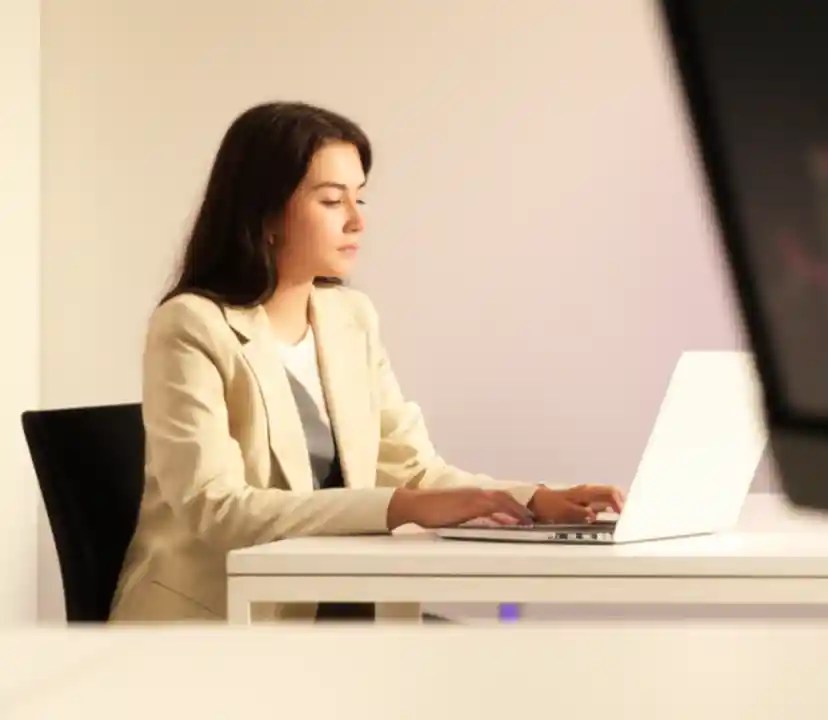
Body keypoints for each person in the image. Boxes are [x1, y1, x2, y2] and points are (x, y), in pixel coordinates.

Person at [109, 101, 625, 623]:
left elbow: (414, 470)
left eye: (360, 198)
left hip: (344, 608)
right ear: (264, 212)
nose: (357, 220)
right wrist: (399, 506)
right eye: (332, 201)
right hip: (216, 626)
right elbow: (216, 508)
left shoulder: (349, 317)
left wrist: (536, 501)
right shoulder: (191, 325)